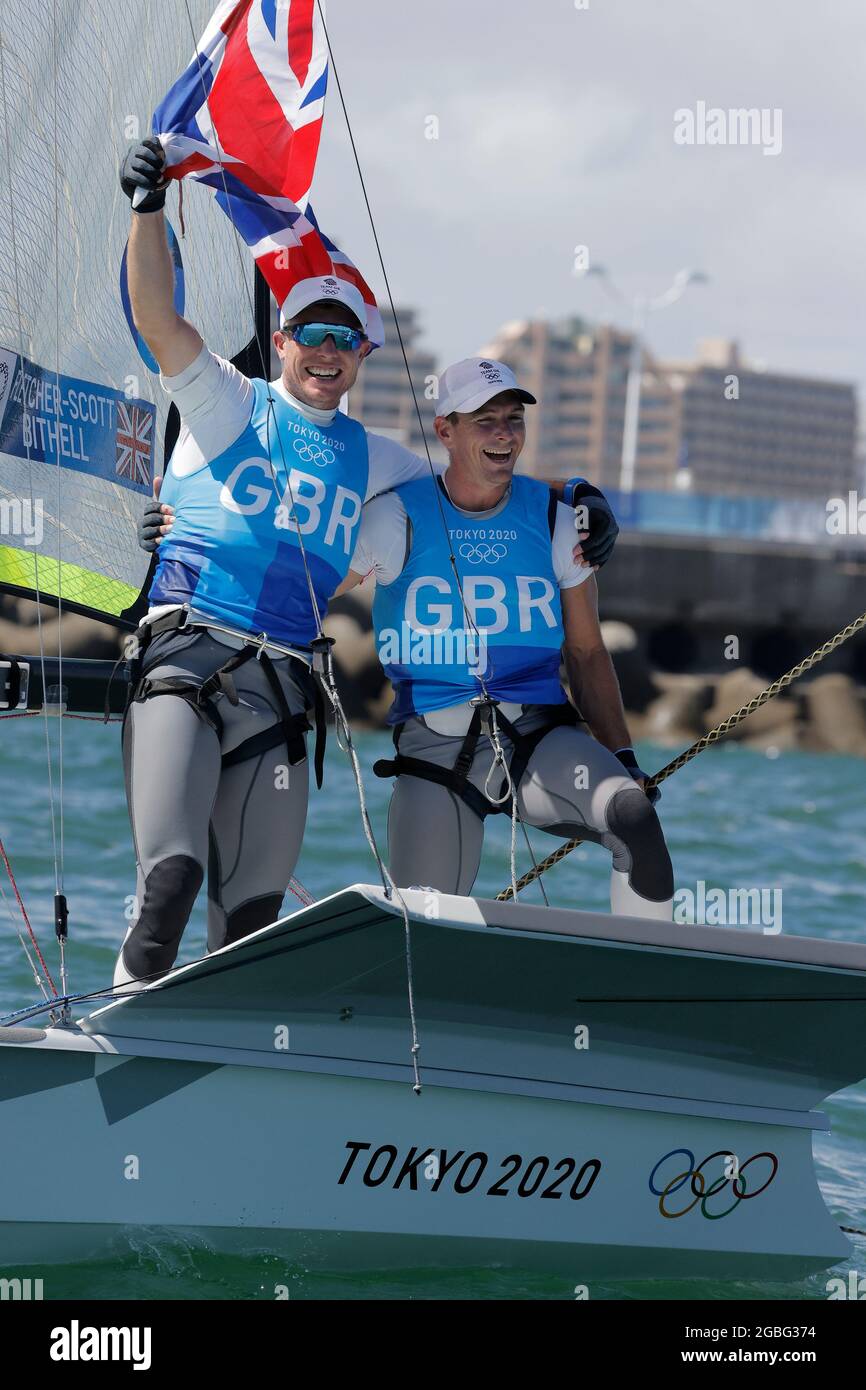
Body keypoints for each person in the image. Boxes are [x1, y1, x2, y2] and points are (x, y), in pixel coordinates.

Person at [119, 137, 622, 987]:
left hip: (278, 696)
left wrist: (580, 494)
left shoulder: (377, 458)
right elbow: (158, 319)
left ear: (362, 358)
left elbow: (468, 483)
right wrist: (147, 208)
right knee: (171, 881)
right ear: (282, 342)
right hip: (187, 656)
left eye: (345, 340)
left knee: (248, 928)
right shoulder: (224, 399)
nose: (327, 351)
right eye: (312, 333)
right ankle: (116, 1037)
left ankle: (217, 1071)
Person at [342, 358, 675, 917]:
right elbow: (309, 587)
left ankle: (646, 983)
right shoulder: (394, 517)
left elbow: (587, 652)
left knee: (632, 815)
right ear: (446, 430)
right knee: (424, 923)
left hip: (538, 737)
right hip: (433, 747)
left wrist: (624, 757)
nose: (503, 433)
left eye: (513, 419)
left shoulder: (556, 519)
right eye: (484, 420)